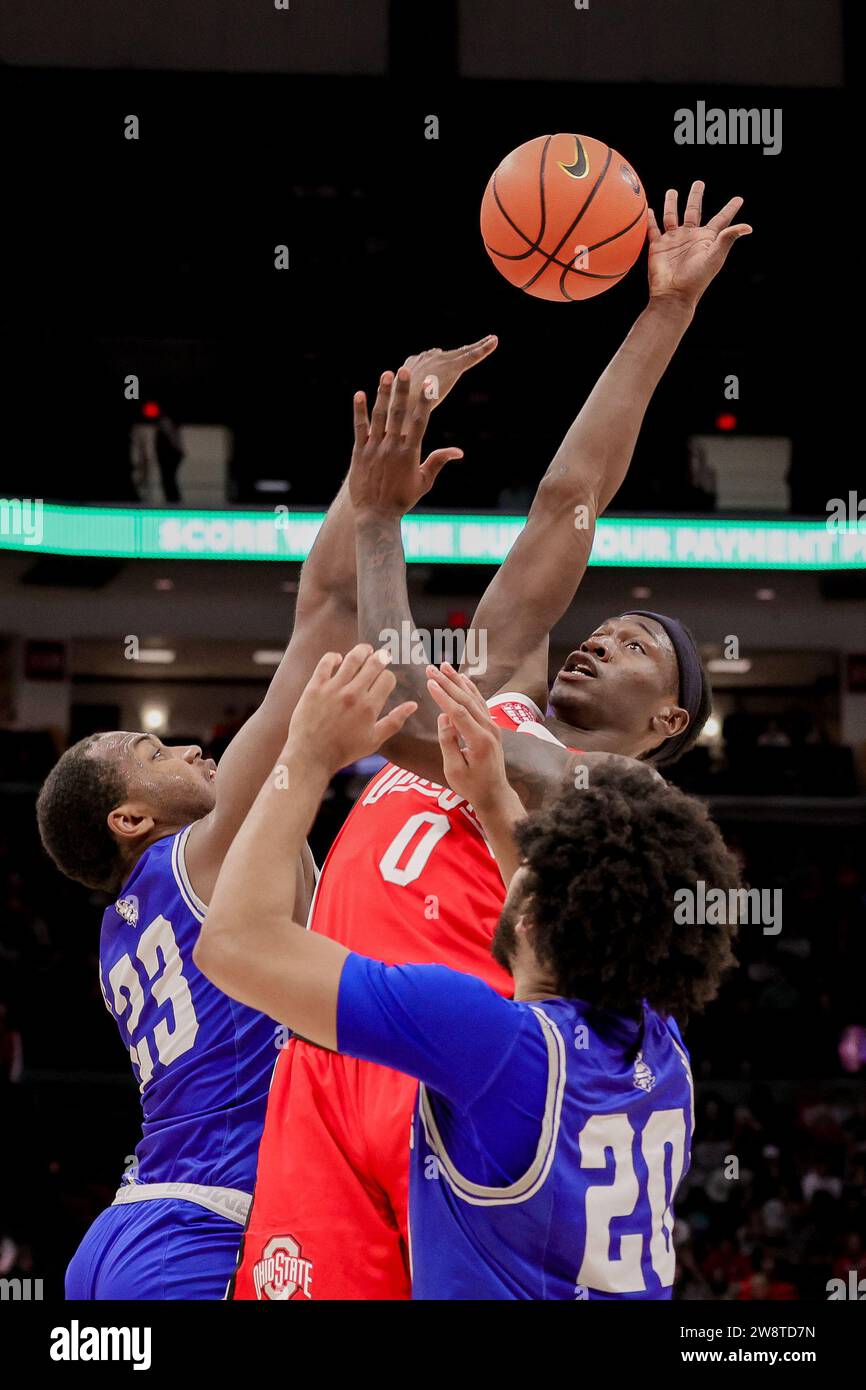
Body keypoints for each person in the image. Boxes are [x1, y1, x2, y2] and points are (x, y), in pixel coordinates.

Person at [231, 181, 751, 1301]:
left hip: (440, 1061)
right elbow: (572, 494)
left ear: (665, 721)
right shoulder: (504, 679)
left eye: (631, 650)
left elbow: (406, 713)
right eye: (600, 627)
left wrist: (378, 526)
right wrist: (661, 310)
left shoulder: (597, 795)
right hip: (325, 1042)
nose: (594, 642)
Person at [34, 339, 495, 1298]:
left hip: (133, 1232)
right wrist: (371, 487)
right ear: (129, 818)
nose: (192, 750)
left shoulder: (131, 923)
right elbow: (326, 609)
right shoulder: (196, 859)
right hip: (211, 1226)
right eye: (156, 754)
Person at [195, 647, 741, 1300]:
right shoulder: (663, 1045)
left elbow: (233, 943)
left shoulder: (493, 1043)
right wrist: (489, 796)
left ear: (535, 916)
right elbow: (558, 905)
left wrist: (305, 758)